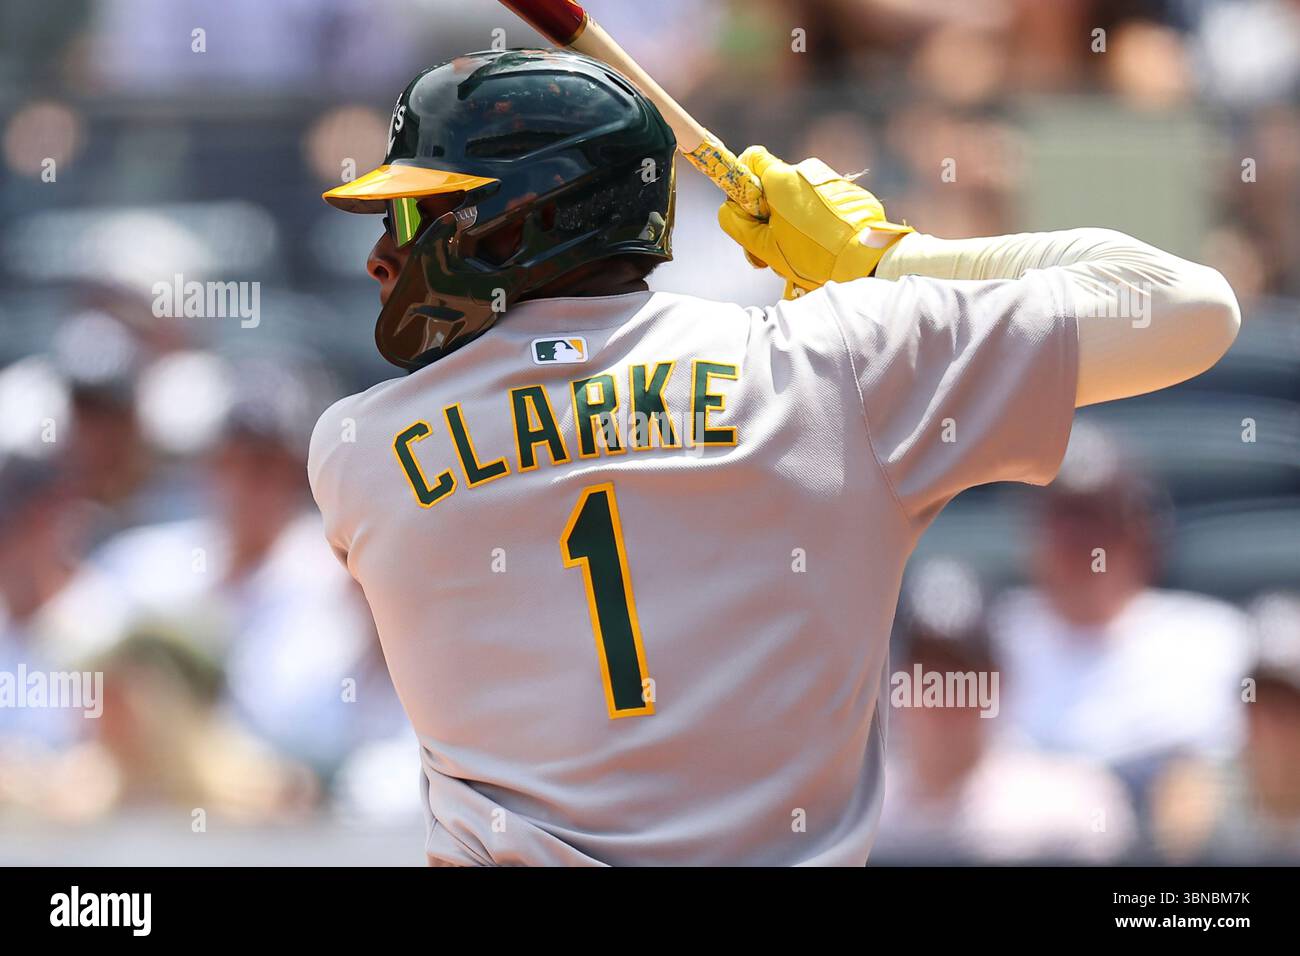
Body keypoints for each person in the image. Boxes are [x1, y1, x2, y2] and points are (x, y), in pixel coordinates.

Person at [311, 48, 1240, 865]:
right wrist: (886, 260)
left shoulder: (355, 450)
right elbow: (1190, 308)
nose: (383, 257)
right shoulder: (833, 360)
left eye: (411, 217)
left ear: (513, 226)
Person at [989, 426, 1250, 815]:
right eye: (1061, 517)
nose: (1076, 539)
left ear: (1141, 531)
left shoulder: (1216, 641)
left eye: (1094, 516)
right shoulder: (986, 640)